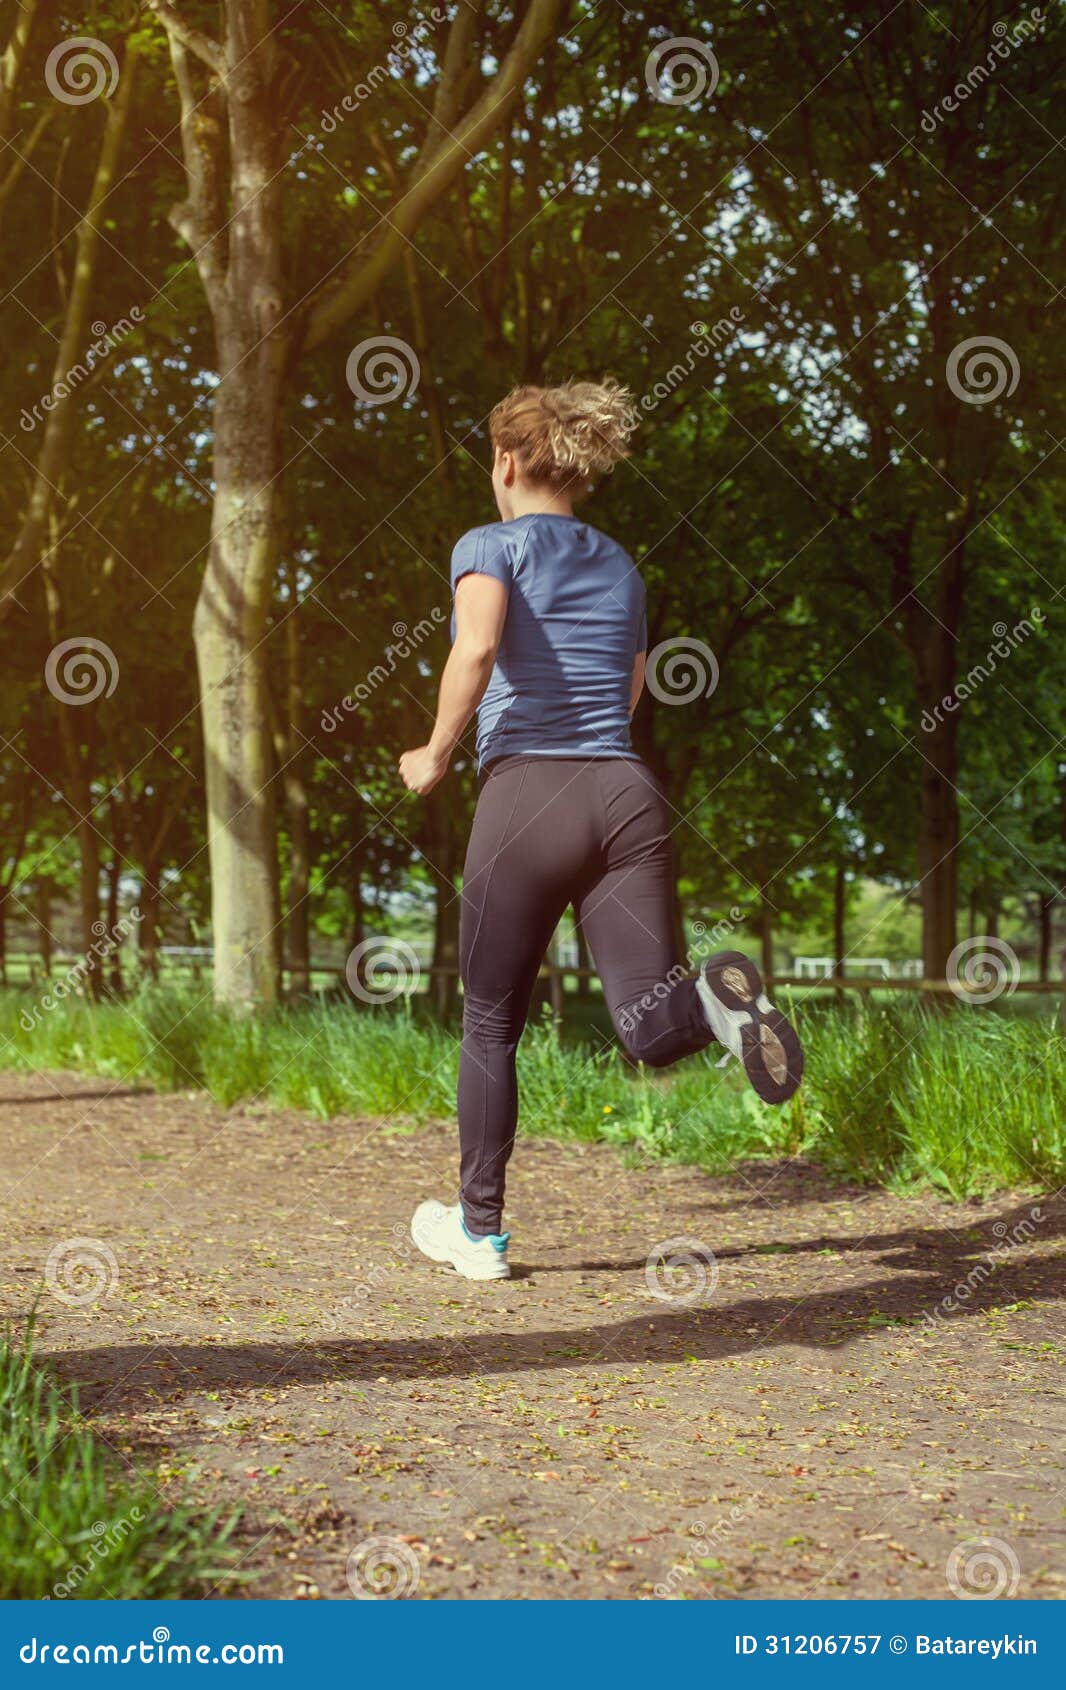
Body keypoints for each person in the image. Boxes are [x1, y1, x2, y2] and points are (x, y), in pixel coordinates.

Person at [398, 379, 802, 1281]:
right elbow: (628, 687)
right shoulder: (622, 565)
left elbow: (476, 646)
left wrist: (434, 750)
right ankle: (718, 1005)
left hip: (526, 795)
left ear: (505, 461)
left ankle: (480, 1233)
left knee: (491, 1020)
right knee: (649, 1027)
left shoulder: (488, 544)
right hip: (625, 794)